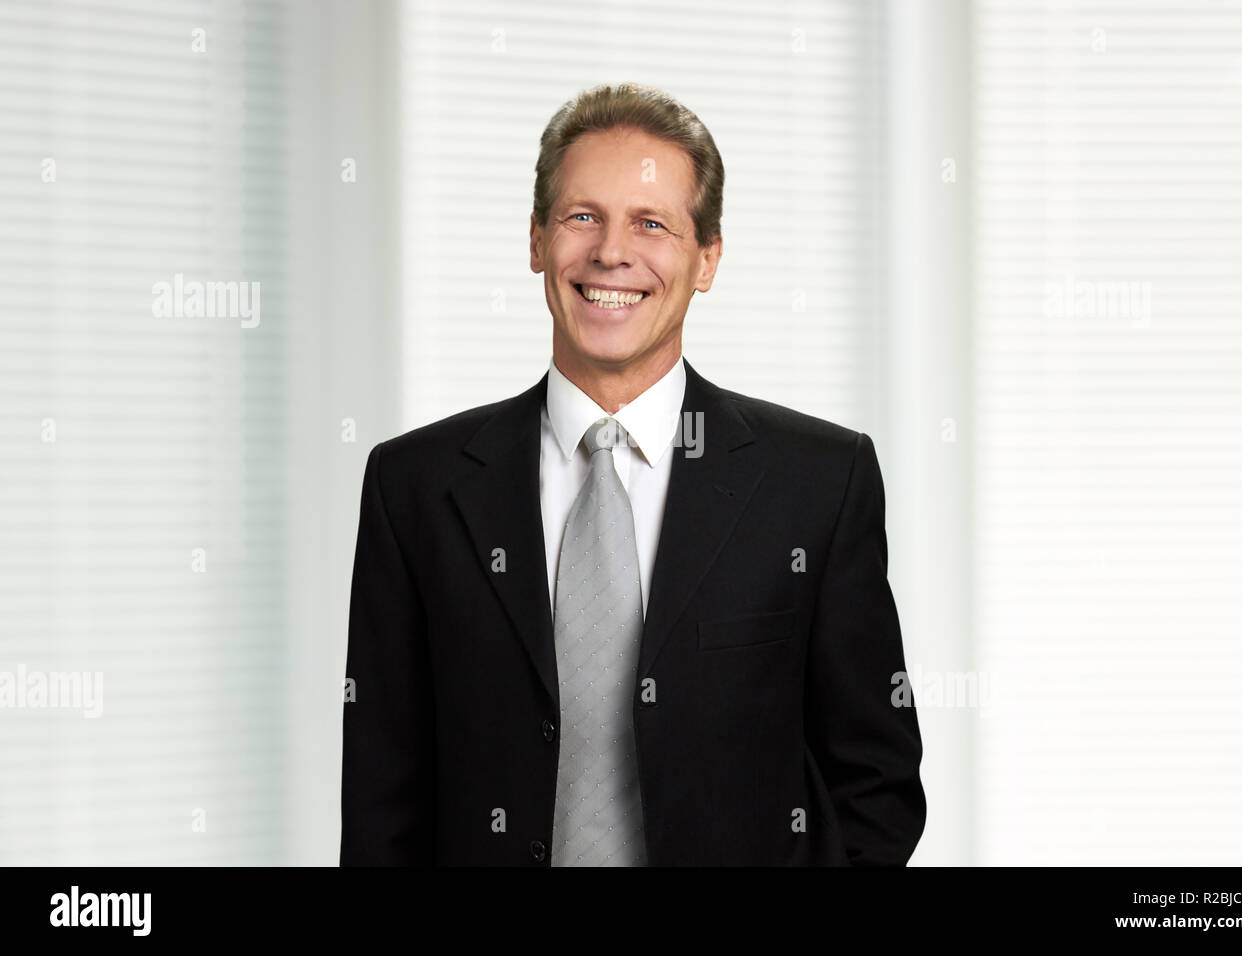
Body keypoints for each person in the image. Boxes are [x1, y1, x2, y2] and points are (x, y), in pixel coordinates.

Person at [340, 82, 925, 866]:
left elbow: (876, 784)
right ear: (537, 242)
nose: (611, 251)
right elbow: (382, 799)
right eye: (583, 216)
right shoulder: (414, 487)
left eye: (651, 223)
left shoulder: (818, 484)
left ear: (707, 257)